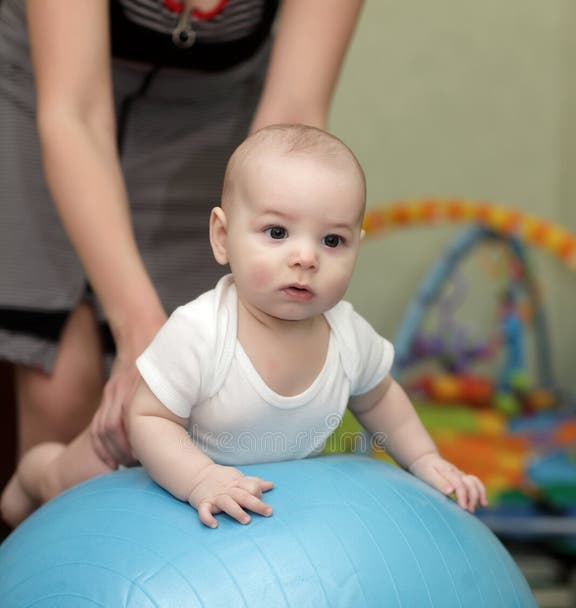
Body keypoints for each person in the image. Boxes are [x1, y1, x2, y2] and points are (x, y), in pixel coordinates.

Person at [1, 124, 488, 528]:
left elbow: (380, 399)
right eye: (277, 233)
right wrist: (200, 479)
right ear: (222, 236)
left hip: (244, 490)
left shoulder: (347, 335)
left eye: (333, 241)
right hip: (137, 458)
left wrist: (424, 459)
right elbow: (147, 419)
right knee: (65, 488)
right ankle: (33, 472)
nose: (305, 257)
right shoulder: (201, 331)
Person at [0, 0, 365, 471]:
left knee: (196, 400)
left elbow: (295, 108)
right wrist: (141, 333)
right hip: (52, 97)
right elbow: (76, 113)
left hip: (210, 118)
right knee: (64, 390)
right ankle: (33, 492)